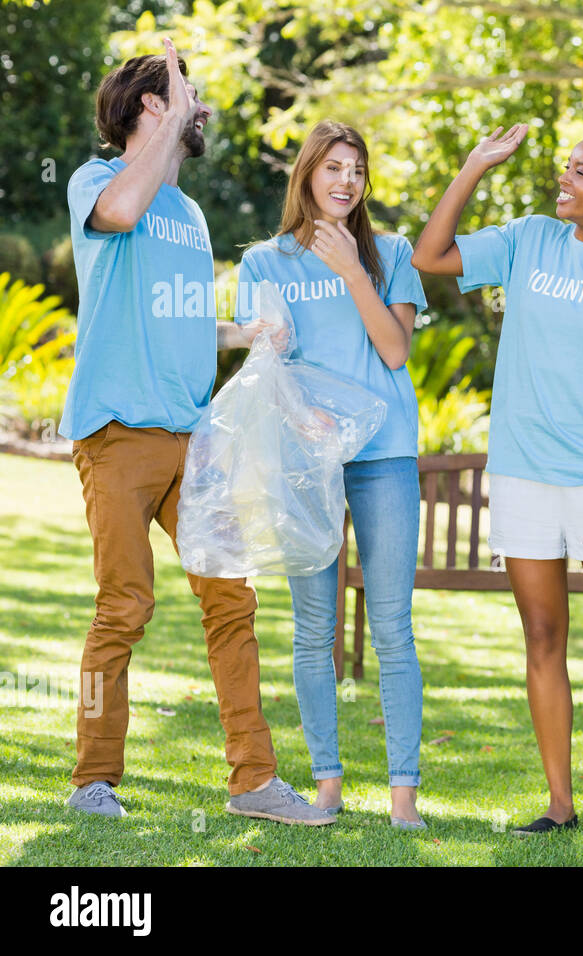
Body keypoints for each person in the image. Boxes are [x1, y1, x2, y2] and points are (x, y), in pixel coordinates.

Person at [61, 39, 332, 825]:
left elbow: (177, 318)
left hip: (195, 440)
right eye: (187, 97)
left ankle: (252, 782)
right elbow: (117, 216)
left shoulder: (188, 213)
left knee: (231, 600)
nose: (200, 109)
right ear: (154, 104)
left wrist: (245, 332)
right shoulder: (99, 179)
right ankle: (92, 779)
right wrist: (174, 112)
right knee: (125, 604)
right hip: (116, 435)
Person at [411, 107, 583, 851]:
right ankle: (559, 804)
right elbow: (428, 257)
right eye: (565, 168)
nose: (563, 180)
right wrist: (475, 166)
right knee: (542, 634)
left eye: (580, 172)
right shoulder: (529, 239)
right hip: (522, 473)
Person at [234, 120, 428, 829]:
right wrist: (296, 407)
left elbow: (396, 350)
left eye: (357, 170)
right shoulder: (264, 263)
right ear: (308, 174)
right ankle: (327, 783)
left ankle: (403, 792)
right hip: (304, 461)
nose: (346, 180)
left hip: (384, 458)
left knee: (393, 626)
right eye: (333, 167)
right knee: (314, 630)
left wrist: (352, 271)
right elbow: (263, 366)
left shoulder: (393, 253)